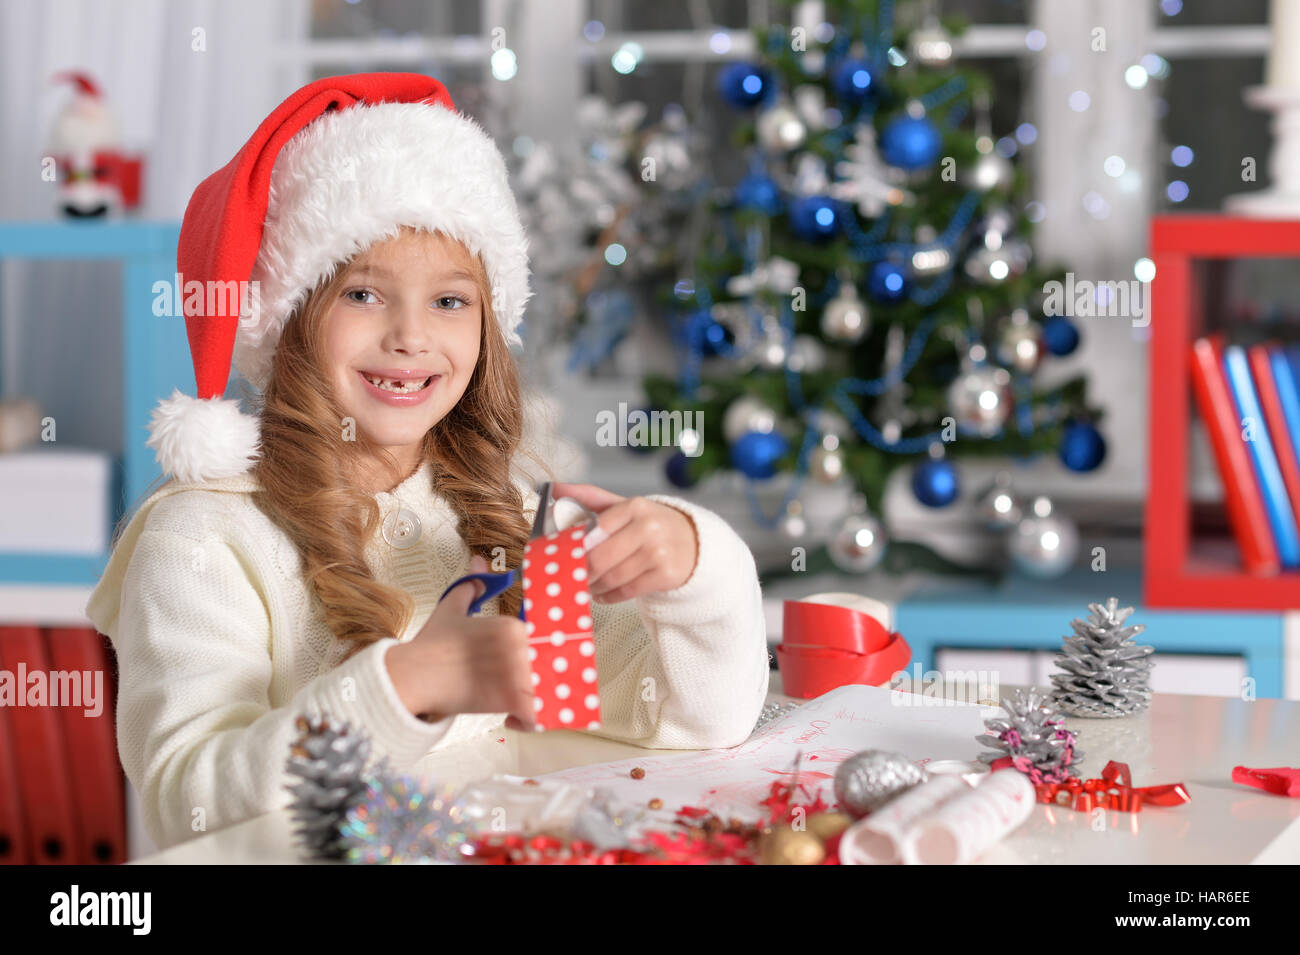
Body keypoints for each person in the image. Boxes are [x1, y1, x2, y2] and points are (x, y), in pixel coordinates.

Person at [85, 73, 769, 851]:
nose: (411, 336)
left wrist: (694, 570)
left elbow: (683, 727)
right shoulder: (202, 535)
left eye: (450, 301)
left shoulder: (507, 503)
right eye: (364, 295)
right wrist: (407, 686)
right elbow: (188, 801)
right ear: (285, 316)